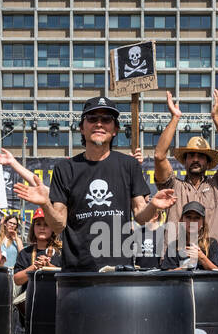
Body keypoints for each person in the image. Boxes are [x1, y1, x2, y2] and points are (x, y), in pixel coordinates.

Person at [9, 95, 176, 271]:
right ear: (82, 127)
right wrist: (45, 204)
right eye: (92, 118)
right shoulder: (65, 168)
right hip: (76, 272)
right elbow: (59, 225)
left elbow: (141, 216)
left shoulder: (129, 165)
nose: (99, 124)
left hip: (119, 270)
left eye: (106, 119)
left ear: (115, 129)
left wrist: (153, 206)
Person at [152, 90, 218, 269]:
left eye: (201, 155)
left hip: (216, 263)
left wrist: (216, 117)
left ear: (208, 162)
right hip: (175, 264)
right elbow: (159, 155)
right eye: (191, 155)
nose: (196, 159)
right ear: (184, 161)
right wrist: (175, 118)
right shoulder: (173, 186)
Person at [161, 201, 218, 271]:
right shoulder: (173, 246)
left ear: (202, 223)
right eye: (188, 217)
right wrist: (186, 267)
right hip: (181, 282)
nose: (192, 221)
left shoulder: (211, 243)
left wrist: (201, 257)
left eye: (197, 218)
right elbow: (167, 274)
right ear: (182, 221)